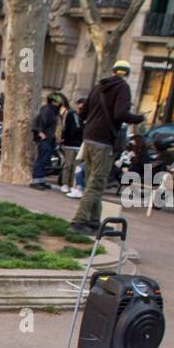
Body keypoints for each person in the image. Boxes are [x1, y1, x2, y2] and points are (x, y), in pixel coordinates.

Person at [72, 60, 145, 234]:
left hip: (89, 138)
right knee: (96, 184)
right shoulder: (122, 89)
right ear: (126, 74)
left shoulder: (98, 87)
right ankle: (79, 221)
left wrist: (90, 127)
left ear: (112, 72)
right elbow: (120, 114)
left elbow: (83, 112)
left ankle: (94, 222)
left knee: (93, 180)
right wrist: (138, 118)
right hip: (104, 142)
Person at [29, 92, 63, 190]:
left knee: (46, 160)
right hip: (45, 139)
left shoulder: (54, 111)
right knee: (41, 159)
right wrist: (40, 133)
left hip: (50, 139)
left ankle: (41, 180)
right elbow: (39, 121)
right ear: (53, 101)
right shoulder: (47, 109)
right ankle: (36, 181)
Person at [58, 96, 84, 195]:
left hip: (79, 144)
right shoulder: (71, 114)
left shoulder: (85, 116)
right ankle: (65, 184)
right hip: (70, 143)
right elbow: (67, 128)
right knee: (68, 164)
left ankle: (73, 184)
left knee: (76, 166)